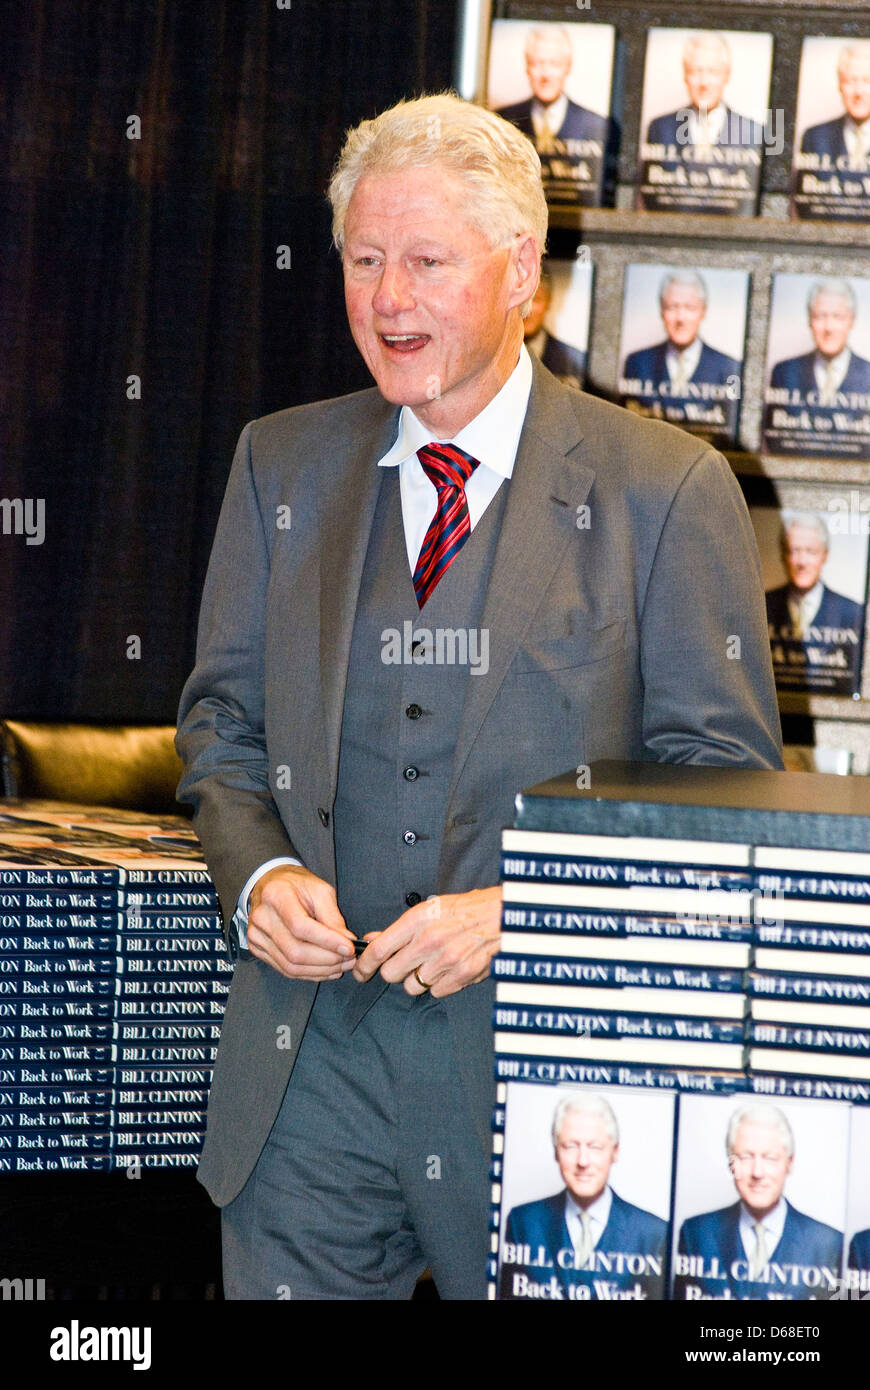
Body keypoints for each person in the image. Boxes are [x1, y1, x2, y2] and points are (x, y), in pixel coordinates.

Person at [176, 92, 783, 1302]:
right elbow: (222, 731)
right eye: (363, 261)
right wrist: (260, 876)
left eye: (425, 262)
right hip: (308, 1074)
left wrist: (520, 908)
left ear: (521, 272)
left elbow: (722, 798)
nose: (387, 300)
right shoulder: (277, 464)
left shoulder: (666, 492)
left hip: (556, 1090)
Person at [501, 1094, 667, 1296]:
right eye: (571, 1146)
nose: (583, 1161)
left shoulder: (653, 1234)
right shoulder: (523, 1223)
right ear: (556, 1152)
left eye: (595, 1147)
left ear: (614, 1152)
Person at [676, 1103, 842, 1297]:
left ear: (789, 1164)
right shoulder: (695, 1233)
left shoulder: (829, 1244)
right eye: (745, 1157)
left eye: (770, 1158)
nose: (757, 1172)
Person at [622, 271, 741, 396]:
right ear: (662, 310)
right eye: (672, 307)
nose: (680, 318)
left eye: (690, 307)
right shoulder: (637, 362)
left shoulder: (729, 367)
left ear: (703, 311)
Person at [497, 24, 609, 149]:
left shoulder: (596, 125)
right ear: (527, 66)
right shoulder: (501, 121)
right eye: (537, 63)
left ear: (568, 67)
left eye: (554, 64)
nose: (546, 74)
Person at [645, 33, 763, 151]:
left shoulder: (753, 132)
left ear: (727, 76)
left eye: (713, 72)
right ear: (685, 75)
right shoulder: (660, 128)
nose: (704, 83)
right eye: (695, 71)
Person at [765, 512, 864, 637]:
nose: (802, 562)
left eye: (811, 552)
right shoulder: (762, 607)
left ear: (825, 555)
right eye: (794, 551)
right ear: (783, 555)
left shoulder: (853, 612)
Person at [769, 279, 870, 401]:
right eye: (820, 316)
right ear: (810, 320)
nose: (828, 327)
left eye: (838, 317)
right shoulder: (784, 372)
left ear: (852, 321)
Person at [800, 41, 870, 167]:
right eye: (850, 81)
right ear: (840, 86)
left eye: (867, 81)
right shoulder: (814, 138)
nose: (859, 92)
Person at [523, 265, 586, 389]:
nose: (527, 310)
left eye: (536, 299)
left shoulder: (575, 361)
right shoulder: (491, 355)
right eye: (523, 300)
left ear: (548, 303)